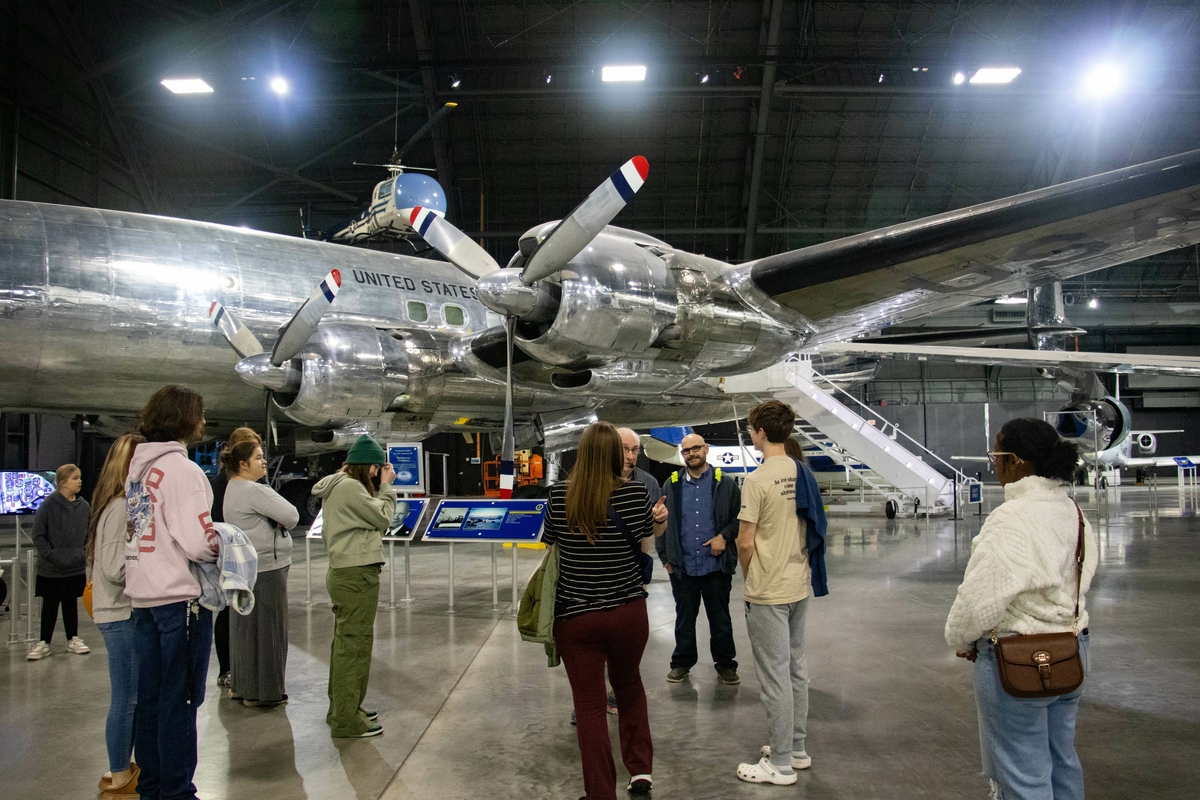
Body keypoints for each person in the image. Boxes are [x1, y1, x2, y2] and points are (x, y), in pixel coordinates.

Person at [945, 419, 1098, 800]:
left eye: (995, 456)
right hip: (1072, 652)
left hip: (1017, 663)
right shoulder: (1073, 513)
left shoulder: (1012, 519)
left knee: (1022, 773)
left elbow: (981, 597)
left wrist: (961, 638)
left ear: (1014, 461)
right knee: (1061, 761)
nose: (994, 464)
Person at [542, 421, 668, 800]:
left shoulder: (559, 496)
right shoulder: (633, 495)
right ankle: (640, 770)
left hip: (576, 617)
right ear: (616, 455)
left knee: (591, 705)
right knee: (629, 685)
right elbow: (650, 536)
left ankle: (600, 793)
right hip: (628, 612)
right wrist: (659, 521)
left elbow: (549, 542)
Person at [124, 384, 219, 800]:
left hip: (142, 596)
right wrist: (224, 542)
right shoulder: (183, 471)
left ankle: (153, 787)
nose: (203, 421)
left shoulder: (139, 469)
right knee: (181, 701)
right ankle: (178, 792)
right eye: (199, 413)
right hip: (178, 602)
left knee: (150, 700)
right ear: (185, 419)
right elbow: (198, 542)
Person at [735, 399, 828, 786]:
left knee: (774, 677)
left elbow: (744, 541)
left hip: (768, 590)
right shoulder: (801, 473)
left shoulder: (756, 481)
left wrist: (749, 576)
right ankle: (797, 748)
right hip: (798, 583)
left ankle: (781, 764)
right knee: (794, 668)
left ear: (759, 433)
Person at [311, 435, 397, 738]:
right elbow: (384, 516)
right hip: (356, 574)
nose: (378, 473)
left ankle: (344, 708)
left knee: (347, 645)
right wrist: (387, 486)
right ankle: (345, 720)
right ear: (367, 466)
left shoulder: (339, 484)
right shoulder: (350, 487)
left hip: (346, 572)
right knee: (354, 648)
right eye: (376, 468)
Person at [656, 433, 742, 685]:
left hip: (715, 566)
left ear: (705, 449)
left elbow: (739, 518)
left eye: (696, 449)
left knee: (720, 619)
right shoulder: (671, 485)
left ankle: (726, 664)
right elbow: (661, 522)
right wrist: (665, 559)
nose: (692, 454)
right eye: (686, 451)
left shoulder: (724, 483)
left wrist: (723, 537)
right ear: (682, 455)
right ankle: (681, 662)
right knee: (684, 619)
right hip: (682, 567)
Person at [87, 433, 146, 797]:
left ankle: (124, 766)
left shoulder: (117, 504)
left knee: (132, 695)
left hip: (120, 612)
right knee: (126, 697)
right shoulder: (121, 507)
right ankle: (120, 772)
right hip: (119, 613)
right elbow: (113, 568)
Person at [222, 440, 299, 709]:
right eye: (258, 458)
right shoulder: (254, 490)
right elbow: (291, 515)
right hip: (267, 569)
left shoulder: (232, 488)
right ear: (243, 464)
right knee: (270, 633)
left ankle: (246, 689)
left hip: (243, 569)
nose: (263, 462)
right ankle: (268, 693)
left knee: (246, 635)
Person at [210, 426, 262, 688]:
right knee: (229, 609)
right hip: (230, 551)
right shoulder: (224, 482)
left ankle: (240, 665)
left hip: (245, 550)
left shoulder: (249, 483)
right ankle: (227, 669)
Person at [28, 463, 91, 660]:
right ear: (63, 482)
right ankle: (44, 642)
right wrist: (52, 555)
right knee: (50, 604)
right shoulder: (48, 505)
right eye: (75, 478)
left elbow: (89, 534)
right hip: (51, 568)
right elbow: (38, 535)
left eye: (79, 477)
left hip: (75, 567)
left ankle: (73, 638)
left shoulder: (84, 507)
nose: (79, 481)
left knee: (70, 602)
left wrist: (82, 554)